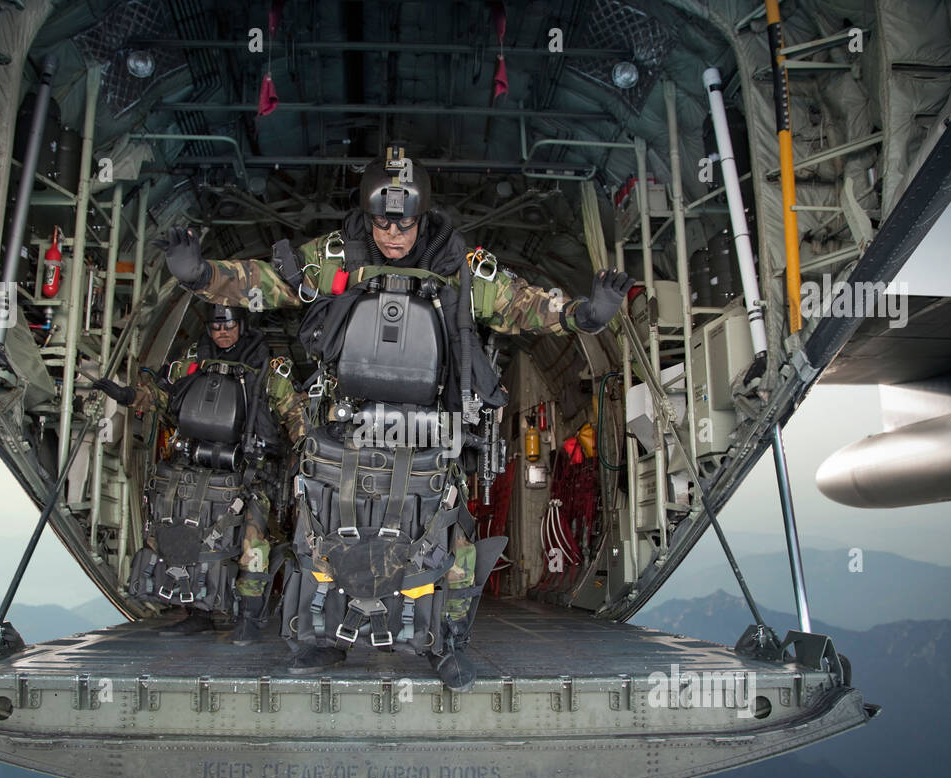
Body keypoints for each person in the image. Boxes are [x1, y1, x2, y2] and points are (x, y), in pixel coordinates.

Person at [159, 148, 631, 687]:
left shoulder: (455, 264)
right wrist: (201, 275)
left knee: (443, 542)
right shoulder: (341, 256)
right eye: (383, 222)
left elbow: (519, 303)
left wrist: (580, 315)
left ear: (421, 216)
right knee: (323, 534)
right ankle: (320, 640)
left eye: (404, 223)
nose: (393, 234)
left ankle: (446, 645)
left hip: (427, 431)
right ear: (370, 216)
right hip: (346, 428)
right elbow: (265, 283)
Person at [96, 304, 304, 645]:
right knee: (187, 535)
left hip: (249, 473)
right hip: (194, 468)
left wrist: (309, 447)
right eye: (215, 327)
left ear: (242, 324)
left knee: (252, 546)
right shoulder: (192, 363)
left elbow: (294, 414)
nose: (222, 332)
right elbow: (165, 397)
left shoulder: (269, 369)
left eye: (229, 325)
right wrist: (132, 396)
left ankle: (249, 619)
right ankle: (196, 613)